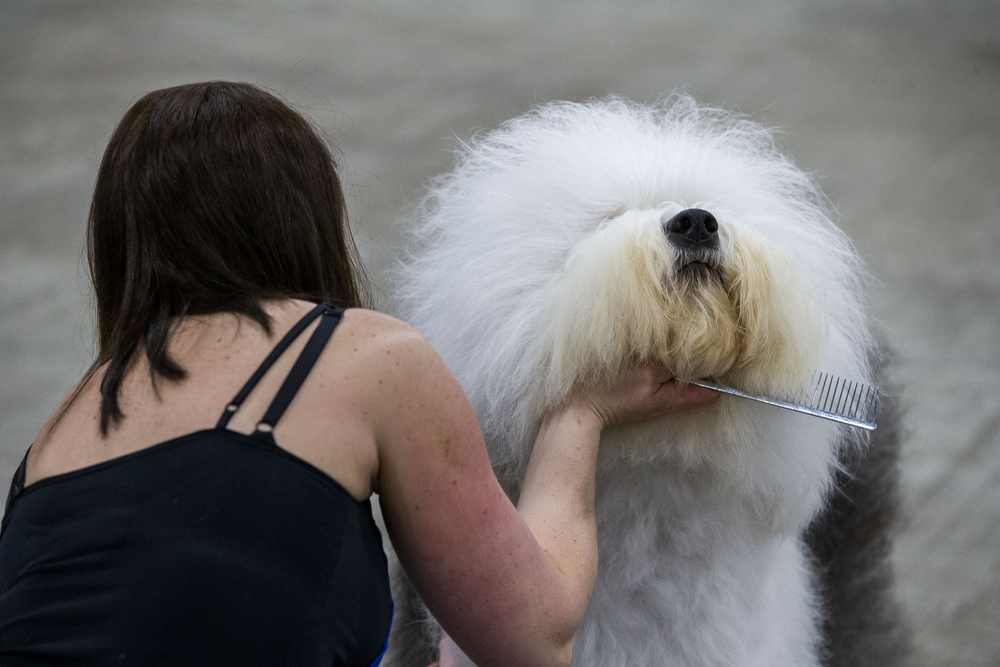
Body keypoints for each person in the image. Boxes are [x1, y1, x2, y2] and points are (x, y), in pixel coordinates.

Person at [0, 82, 717, 666]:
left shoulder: (59, 434)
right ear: (304, 217)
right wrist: (580, 412)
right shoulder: (363, 356)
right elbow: (536, 637)